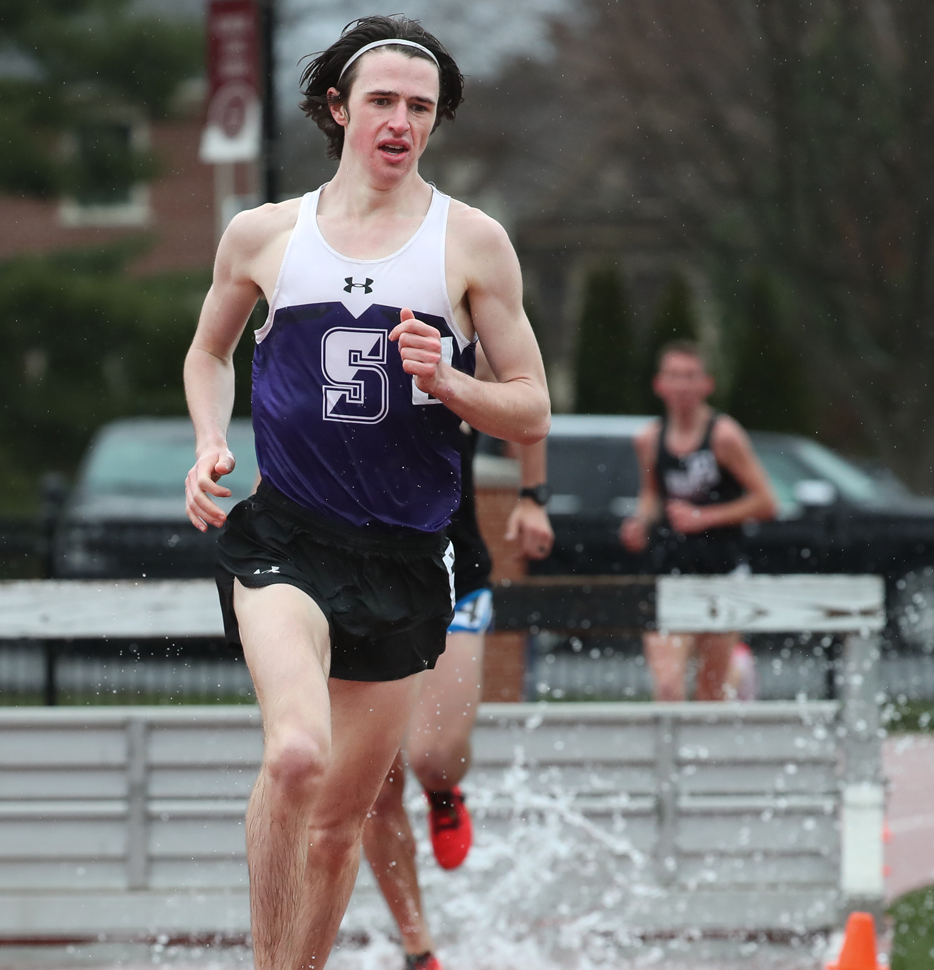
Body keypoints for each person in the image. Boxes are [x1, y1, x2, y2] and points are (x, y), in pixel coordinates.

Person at [181, 15, 550, 970]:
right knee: (296, 754)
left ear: (436, 123)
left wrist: (450, 383)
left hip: (405, 557)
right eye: (382, 101)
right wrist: (212, 441)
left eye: (420, 108)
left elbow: (532, 410)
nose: (400, 121)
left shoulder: (471, 244)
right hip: (287, 539)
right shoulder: (266, 234)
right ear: (338, 108)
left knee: (339, 827)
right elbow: (209, 350)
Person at [360, 414, 553, 970]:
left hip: (451, 573)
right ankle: (419, 950)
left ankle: (444, 793)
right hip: (351, 582)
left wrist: (533, 495)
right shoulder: (314, 334)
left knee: (434, 758)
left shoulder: (454, 331)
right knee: (372, 781)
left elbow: (528, 395)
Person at [618, 342, 777, 702]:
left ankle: (737, 671)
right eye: (674, 377)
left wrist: (704, 517)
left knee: (710, 692)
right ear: (659, 385)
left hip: (721, 572)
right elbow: (652, 494)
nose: (682, 386)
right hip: (668, 572)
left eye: (690, 377)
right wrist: (640, 522)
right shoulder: (649, 439)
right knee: (669, 687)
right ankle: (668, 757)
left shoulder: (724, 436)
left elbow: (767, 502)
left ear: (707, 384)